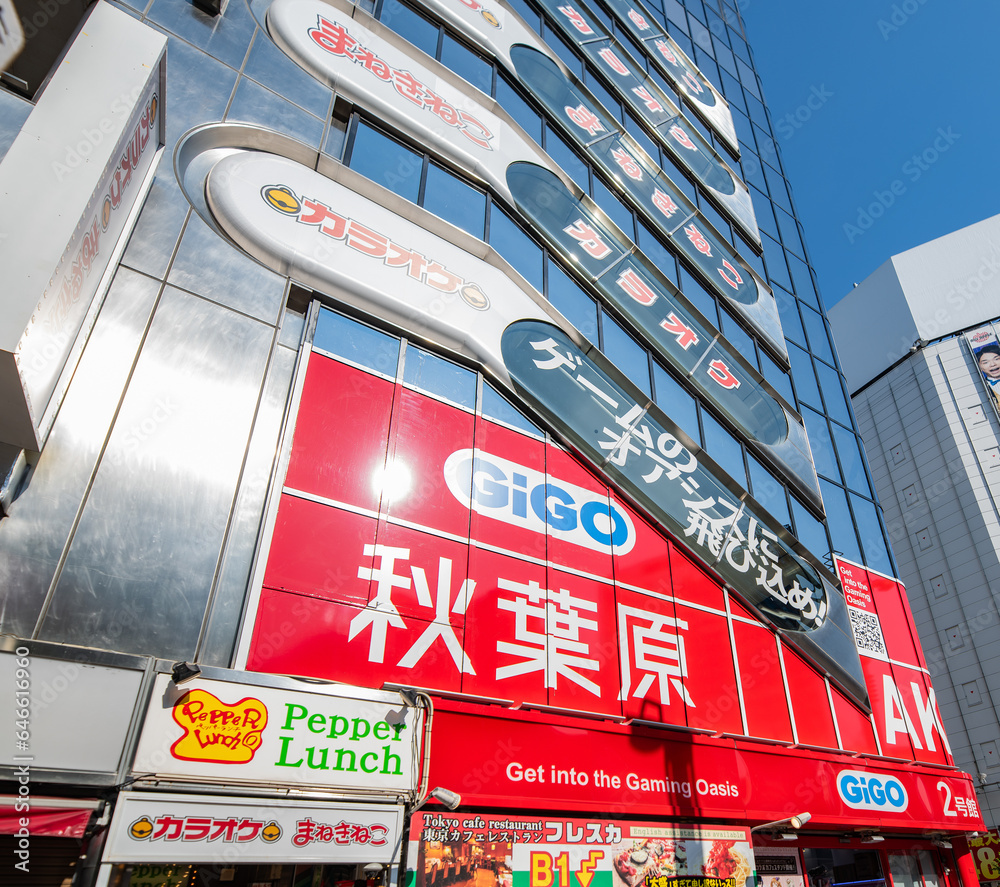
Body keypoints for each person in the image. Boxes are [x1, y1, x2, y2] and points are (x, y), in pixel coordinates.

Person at [976, 344, 1000, 409]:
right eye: (985, 362)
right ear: (979, 367)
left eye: (996, 359)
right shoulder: (982, 387)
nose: (993, 364)